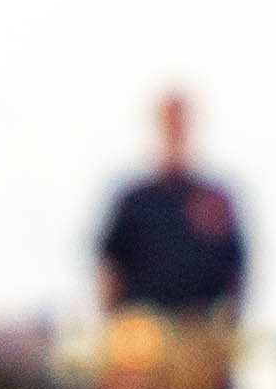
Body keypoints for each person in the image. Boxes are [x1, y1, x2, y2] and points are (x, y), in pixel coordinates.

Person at [94, 92, 245, 330]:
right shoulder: (134, 200)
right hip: (142, 338)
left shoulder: (216, 199)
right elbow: (111, 269)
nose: (176, 130)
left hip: (200, 333)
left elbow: (236, 272)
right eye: (170, 122)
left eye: (181, 122)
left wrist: (227, 329)